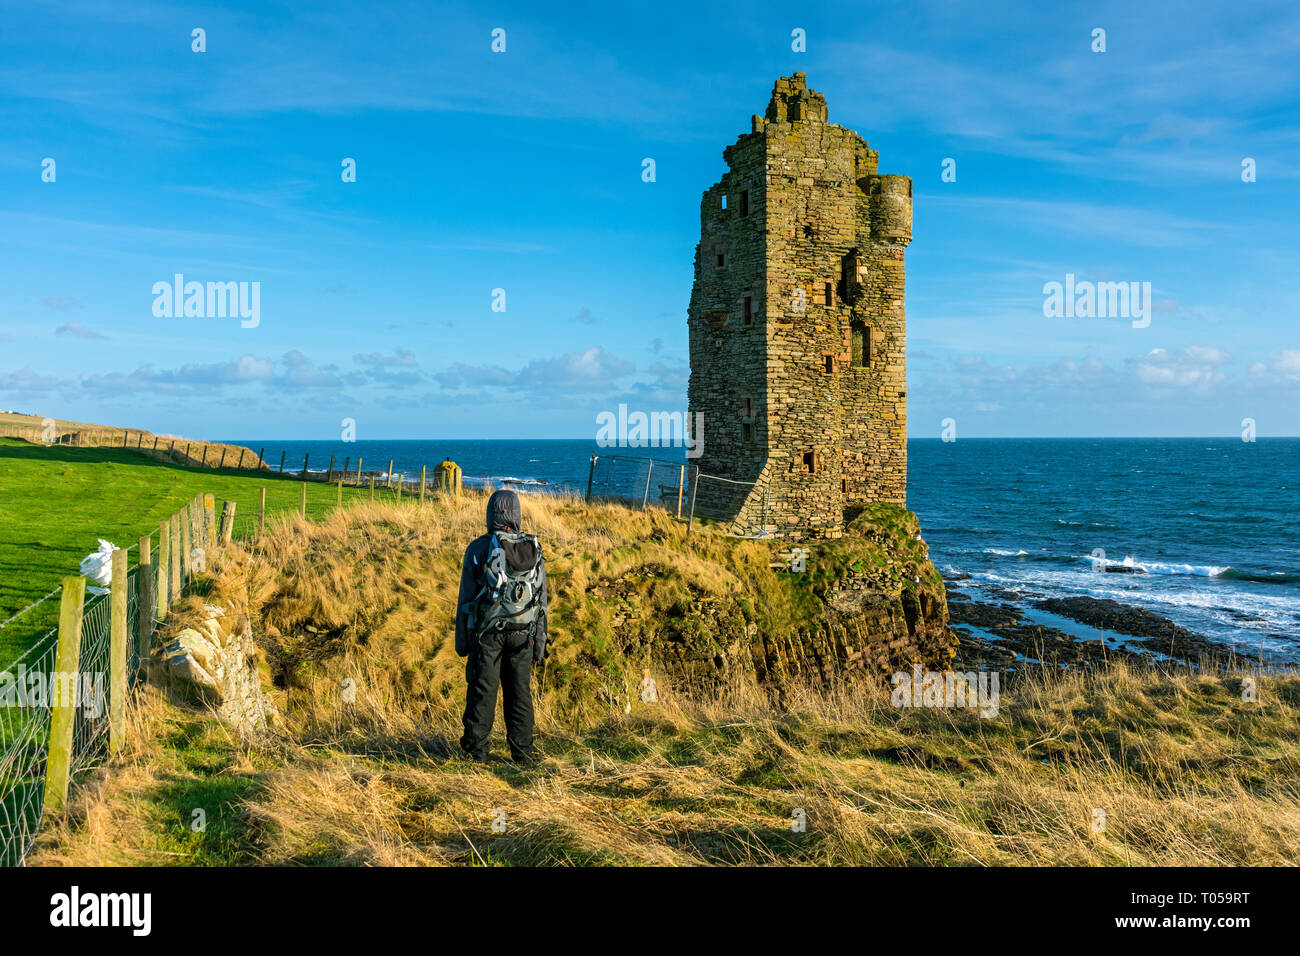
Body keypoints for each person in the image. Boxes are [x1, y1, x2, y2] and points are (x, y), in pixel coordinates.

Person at [456, 489, 548, 762]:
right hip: (523, 633)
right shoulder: (533, 549)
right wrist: (539, 644)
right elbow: (541, 600)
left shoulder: (478, 548)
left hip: (487, 634)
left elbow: (466, 599)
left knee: (483, 691)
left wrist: (463, 644)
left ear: (490, 514)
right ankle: (523, 754)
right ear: (517, 514)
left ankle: (476, 754)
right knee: (520, 693)